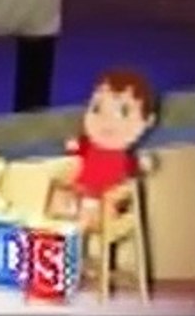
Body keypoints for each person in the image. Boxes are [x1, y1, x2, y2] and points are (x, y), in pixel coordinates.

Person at [48, 68, 159, 230]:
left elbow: (133, 167)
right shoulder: (90, 145)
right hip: (86, 187)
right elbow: (79, 147)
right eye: (97, 108)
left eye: (123, 112)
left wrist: (142, 165)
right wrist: (74, 145)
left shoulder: (123, 158)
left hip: (109, 194)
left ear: (148, 121)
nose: (107, 121)